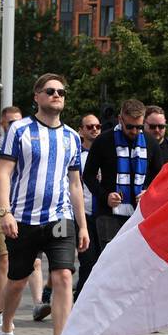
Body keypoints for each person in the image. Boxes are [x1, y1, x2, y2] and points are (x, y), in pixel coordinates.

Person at [0, 73, 90, 335]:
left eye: (61, 91)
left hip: (60, 219)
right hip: (23, 219)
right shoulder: (19, 130)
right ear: (37, 96)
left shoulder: (72, 136)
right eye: (50, 91)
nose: (57, 95)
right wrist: (5, 211)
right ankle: (6, 328)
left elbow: (75, 184)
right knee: (17, 281)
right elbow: (4, 173)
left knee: (63, 277)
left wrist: (82, 224)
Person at [0, 106, 47, 325]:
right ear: (2, 124)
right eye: (9, 123)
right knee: (4, 261)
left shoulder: (29, 143)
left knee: (34, 260)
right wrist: (6, 180)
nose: (14, 126)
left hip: (23, 210)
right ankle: (1, 312)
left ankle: (38, 304)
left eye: (18, 122)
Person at [82, 98, 162, 248]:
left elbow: (160, 177)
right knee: (111, 264)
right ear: (120, 119)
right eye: (129, 126)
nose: (134, 131)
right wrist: (105, 196)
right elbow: (88, 175)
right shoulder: (103, 140)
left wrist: (149, 193)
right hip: (108, 214)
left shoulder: (151, 143)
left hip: (141, 214)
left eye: (139, 127)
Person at [73, 112, 103, 300]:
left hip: (104, 214)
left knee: (103, 262)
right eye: (90, 127)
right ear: (81, 130)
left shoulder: (107, 152)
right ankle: (80, 301)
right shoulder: (76, 155)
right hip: (82, 214)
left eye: (98, 126)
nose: (94, 130)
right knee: (88, 261)